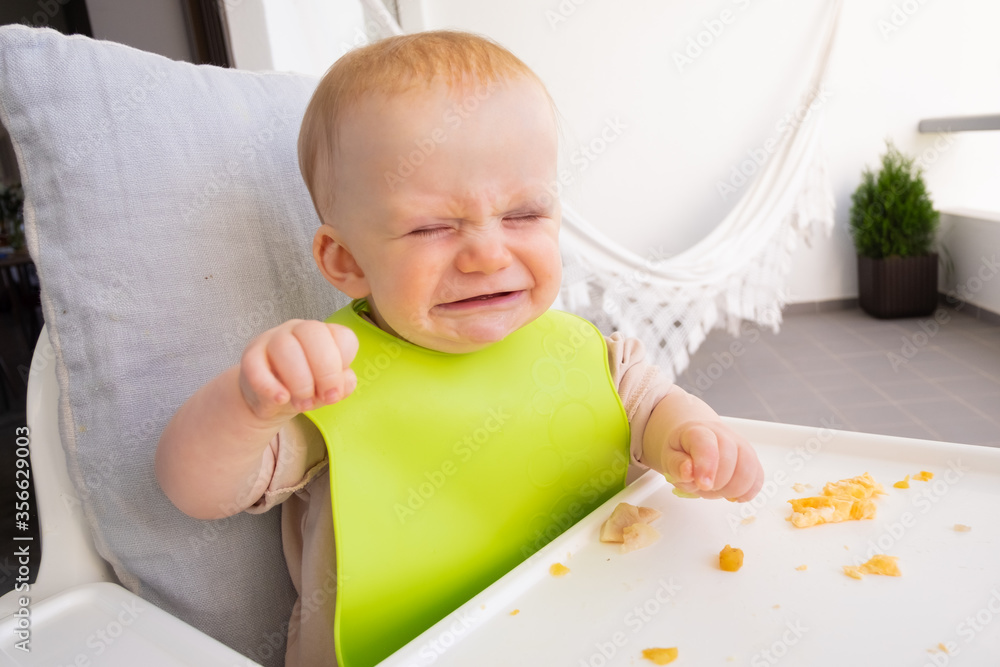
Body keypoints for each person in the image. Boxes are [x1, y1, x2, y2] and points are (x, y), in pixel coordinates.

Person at [155, 30, 764, 667]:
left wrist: (695, 437)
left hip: (595, 630)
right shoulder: (331, 377)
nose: (488, 255)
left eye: (524, 215)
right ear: (345, 260)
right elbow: (196, 492)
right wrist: (250, 405)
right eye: (431, 227)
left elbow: (654, 409)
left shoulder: (592, 355)